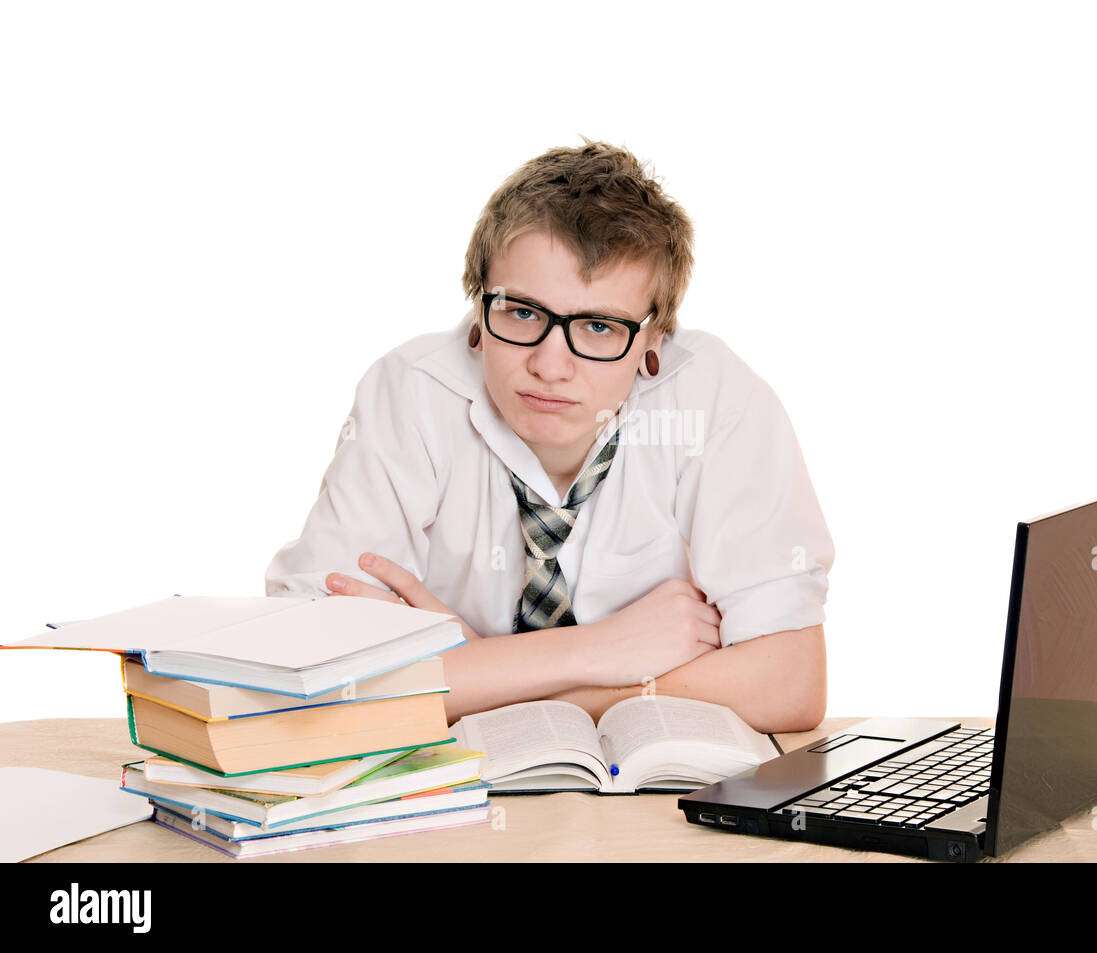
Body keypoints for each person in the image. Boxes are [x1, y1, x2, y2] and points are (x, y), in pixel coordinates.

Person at [265, 138, 834, 733]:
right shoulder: (409, 393)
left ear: (652, 341)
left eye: (597, 326)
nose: (550, 366)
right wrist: (603, 650)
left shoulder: (717, 400)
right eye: (522, 313)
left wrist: (467, 672)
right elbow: (313, 668)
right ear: (479, 314)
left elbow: (790, 683)